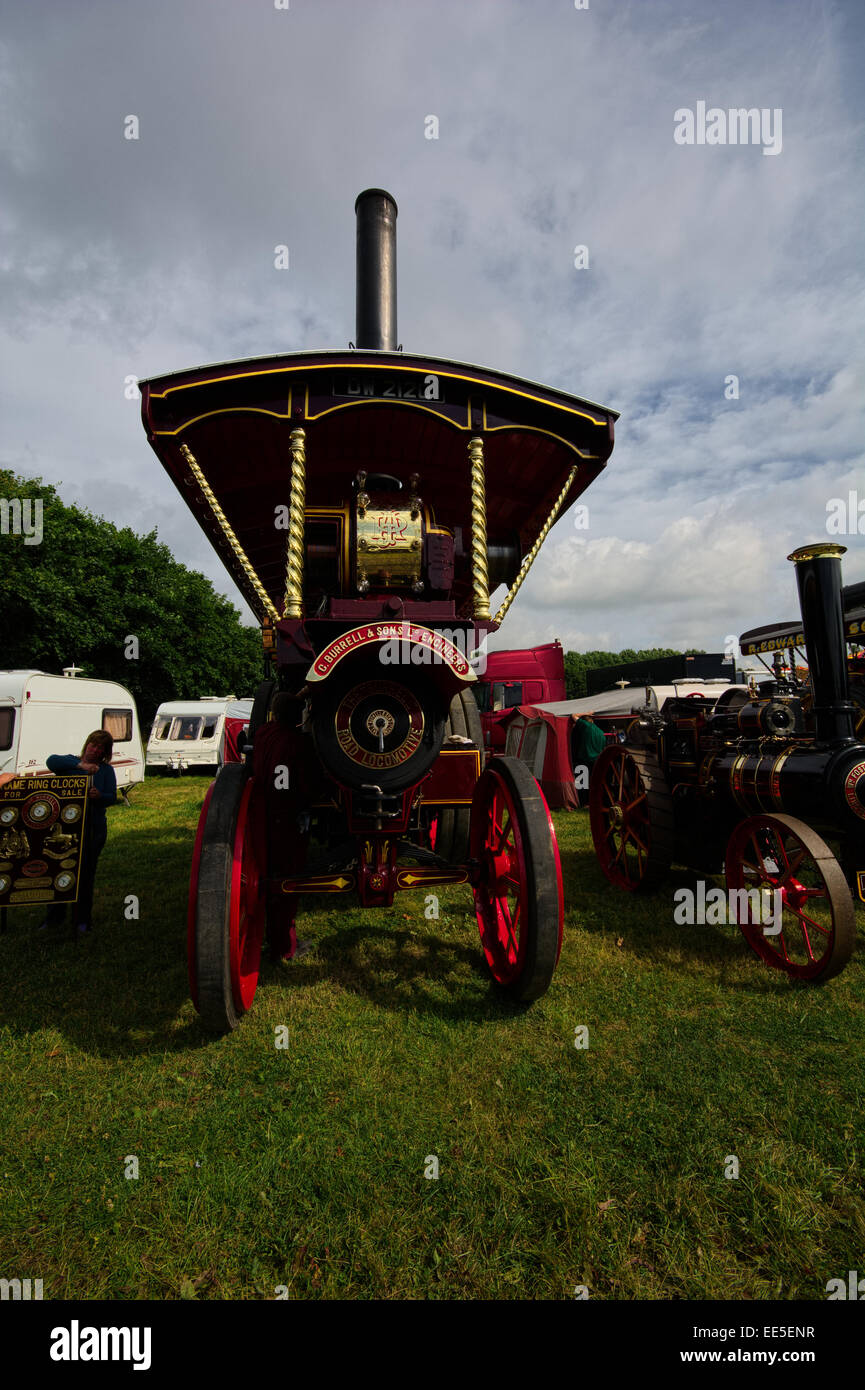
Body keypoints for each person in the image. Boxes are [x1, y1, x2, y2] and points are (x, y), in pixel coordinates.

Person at [41, 731, 117, 934]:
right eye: (94, 745)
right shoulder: (69, 763)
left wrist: (100, 796)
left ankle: (82, 919)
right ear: (87, 744)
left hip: (93, 829)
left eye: (101, 748)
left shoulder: (106, 771)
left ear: (105, 753)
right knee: (58, 871)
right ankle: (54, 917)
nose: (96, 750)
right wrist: (81, 766)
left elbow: (112, 797)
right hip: (65, 831)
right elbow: (51, 761)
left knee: (85, 875)